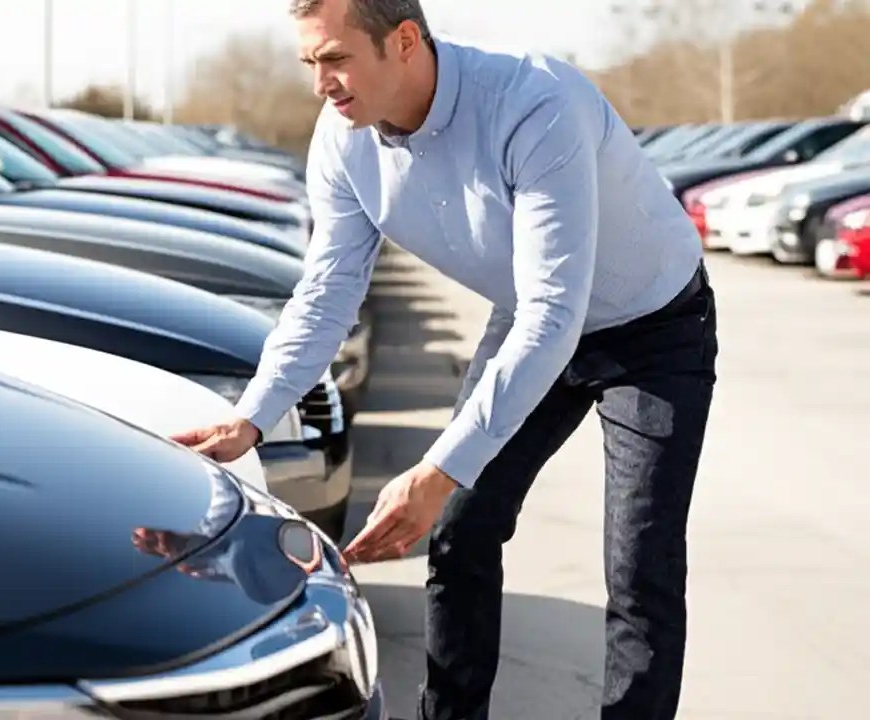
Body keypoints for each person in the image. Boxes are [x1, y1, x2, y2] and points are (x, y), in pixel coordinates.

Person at [169, 0, 717, 718]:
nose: (320, 85)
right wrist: (254, 417)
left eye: (335, 59)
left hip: (653, 327)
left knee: (639, 564)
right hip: (530, 318)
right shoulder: (343, 139)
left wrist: (438, 468)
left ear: (402, 42)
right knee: (459, 527)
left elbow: (558, 310)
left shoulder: (534, 101)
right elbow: (327, 292)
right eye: (310, 63)